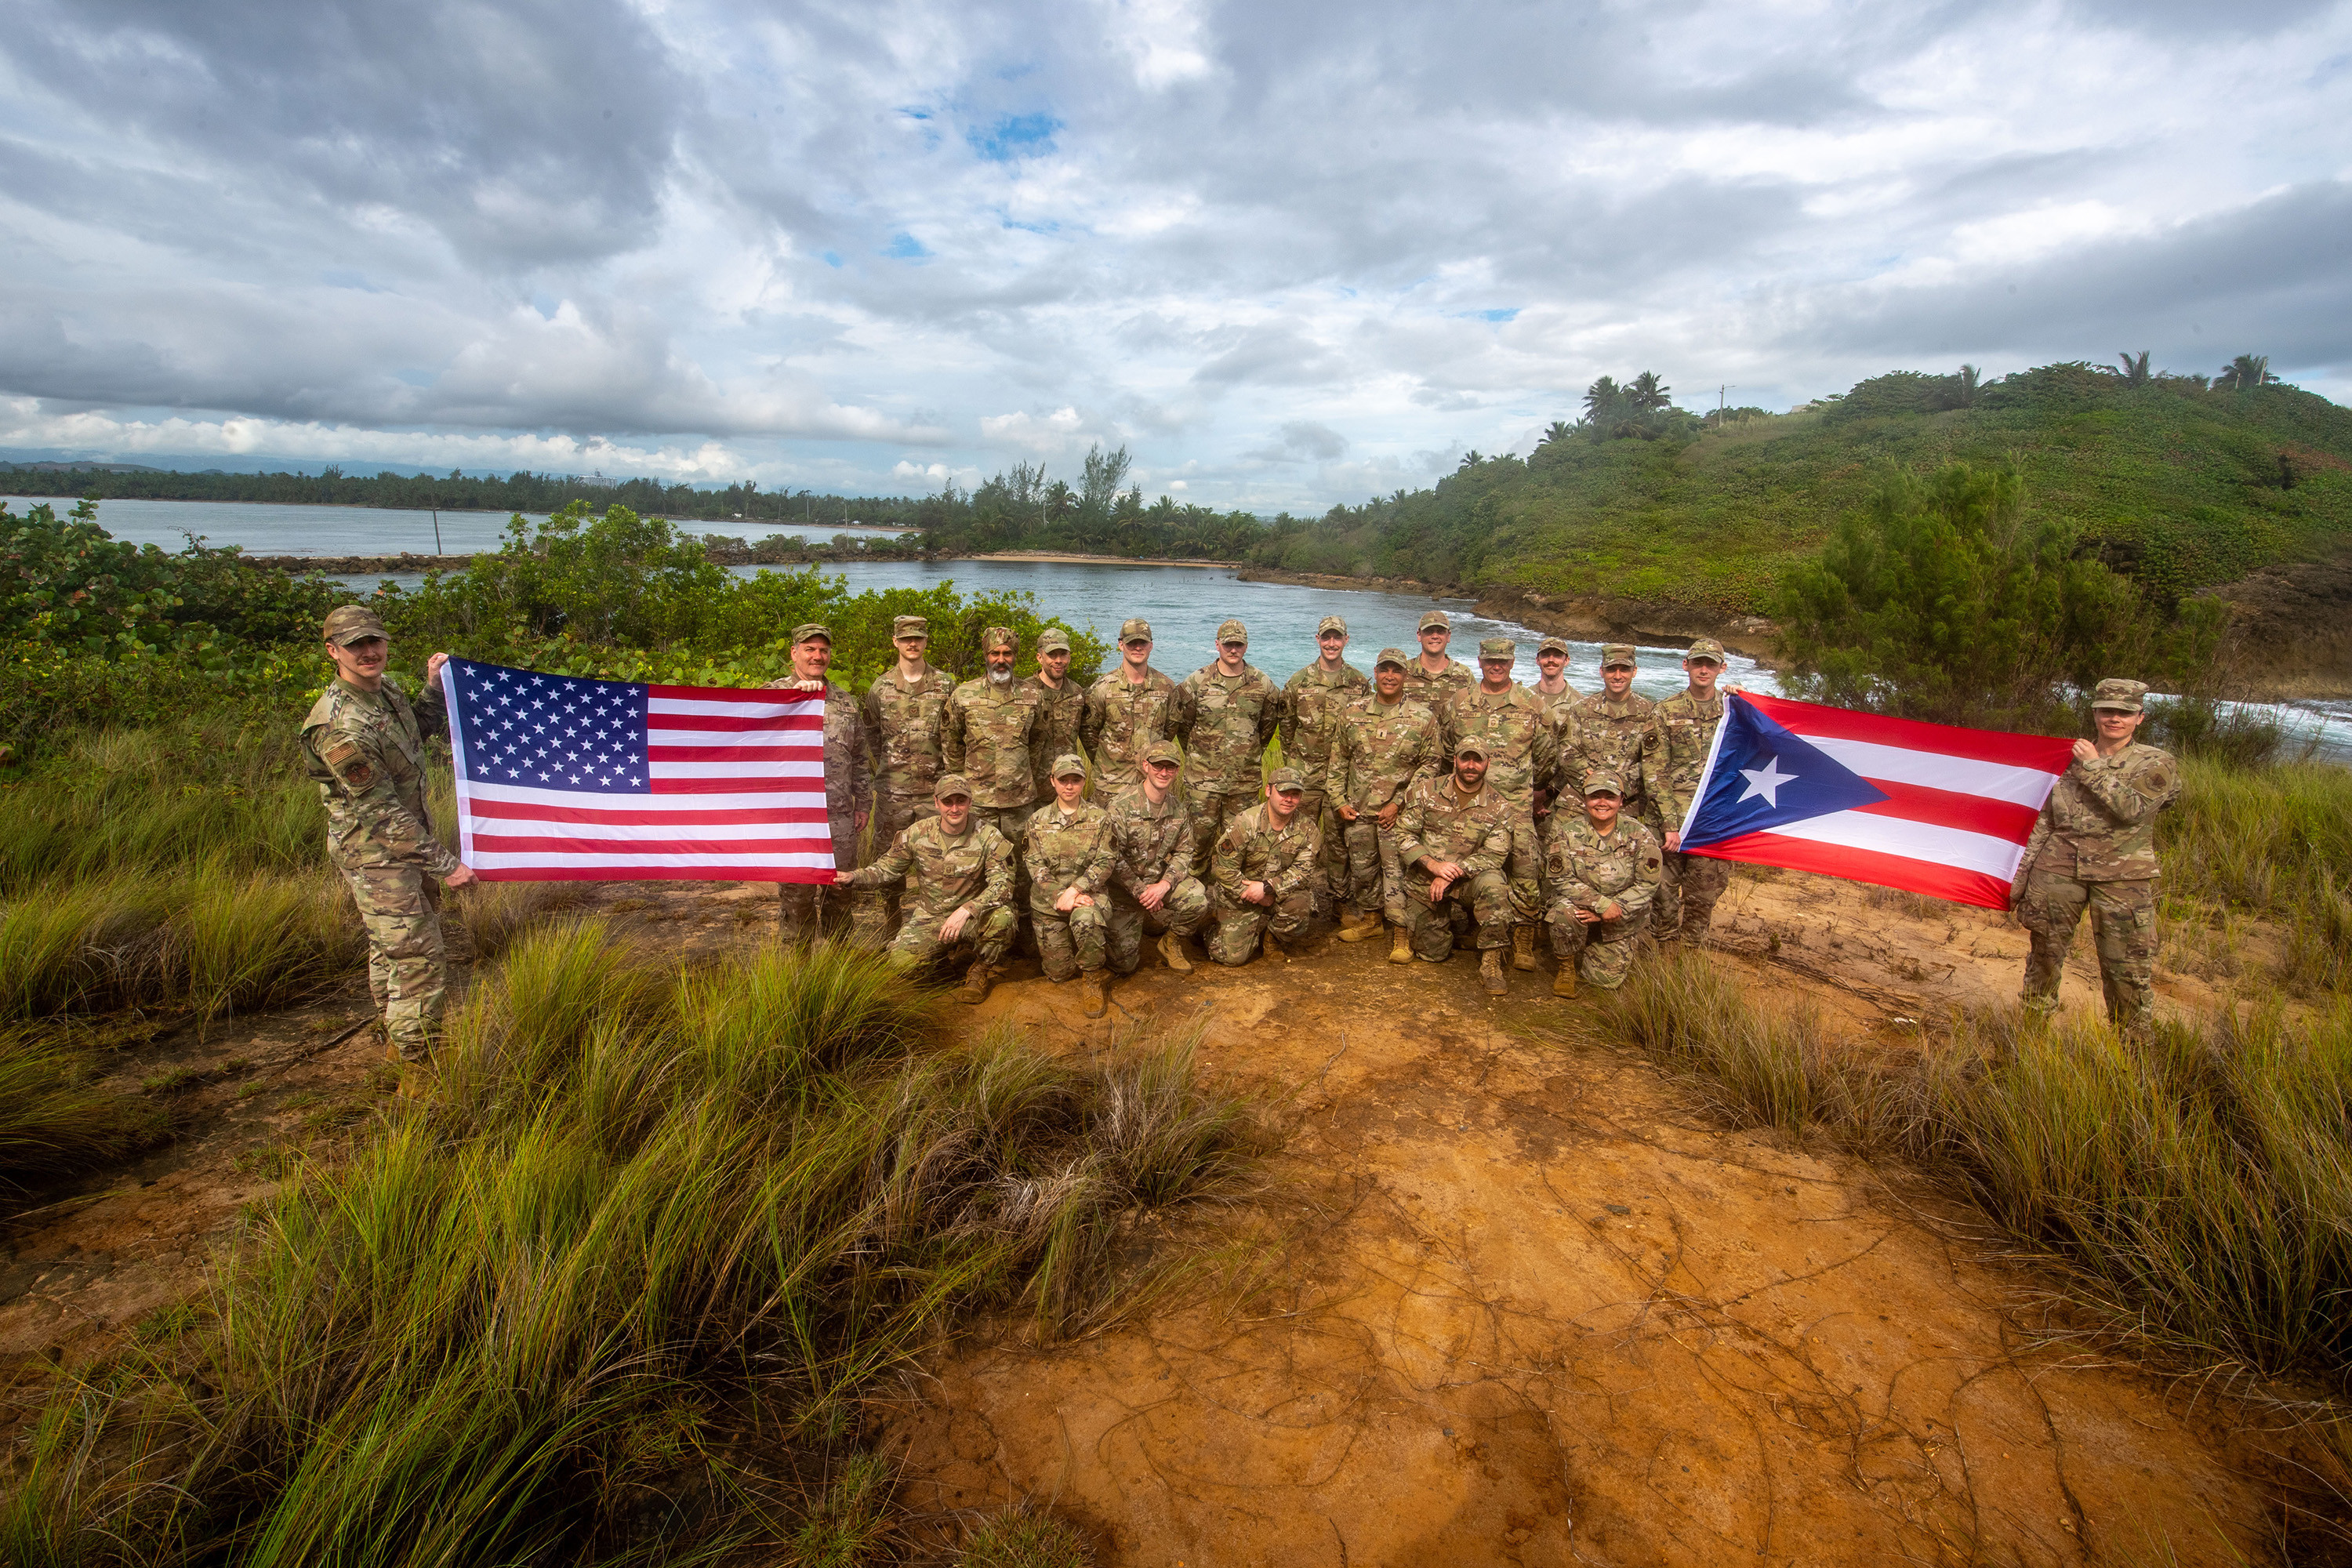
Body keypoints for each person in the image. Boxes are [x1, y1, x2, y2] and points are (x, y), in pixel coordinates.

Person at [299, 604, 477, 1074]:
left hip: (406, 846)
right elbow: (378, 811)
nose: (369, 652)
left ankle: (394, 1038)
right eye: (355, 646)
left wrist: (435, 689)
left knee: (391, 949)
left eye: (374, 641)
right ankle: (418, 1071)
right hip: (377, 855)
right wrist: (446, 864)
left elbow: (415, 730)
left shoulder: (387, 693)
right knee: (418, 958)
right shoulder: (340, 724)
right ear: (333, 651)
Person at [2013, 678, 2182, 1034]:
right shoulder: (2065, 758)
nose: (2115, 718)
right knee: (2044, 956)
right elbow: (2044, 820)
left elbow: (2133, 809)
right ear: (2095, 713)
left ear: (2140, 718)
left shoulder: (2156, 761)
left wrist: (2093, 767)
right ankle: (2030, 1037)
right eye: (2107, 711)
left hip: (2122, 876)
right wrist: (2021, 875)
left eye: (2125, 713)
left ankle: (2133, 1050)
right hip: (2058, 870)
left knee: (2126, 969)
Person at [839, 774, 1015, 1004]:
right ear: (936, 803)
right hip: (930, 918)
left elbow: (1003, 883)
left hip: (972, 917)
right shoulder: (918, 833)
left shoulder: (988, 835)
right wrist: (854, 876)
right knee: (902, 964)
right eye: (947, 802)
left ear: (970, 803)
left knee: (1004, 918)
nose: (954, 808)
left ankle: (978, 971)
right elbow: (887, 869)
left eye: (961, 801)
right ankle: (945, 962)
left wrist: (967, 910)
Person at [1440, 638, 1557, 975]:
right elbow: (1448, 747)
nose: (1496, 666)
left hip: (1516, 807)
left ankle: (1522, 936)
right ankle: (1475, 928)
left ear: (1513, 662)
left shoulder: (1532, 704)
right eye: (1490, 660)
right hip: (1469, 807)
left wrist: (1530, 790)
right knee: (1470, 867)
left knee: (1525, 869)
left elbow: (1547, 756)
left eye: (1503, 661)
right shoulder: (1460, 703)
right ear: (1479, 661)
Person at [764, 622, 873, 945]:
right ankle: (799, 972)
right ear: (794, 653)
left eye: (823, 650)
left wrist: (864, 803)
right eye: (809, 649)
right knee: (797, 900)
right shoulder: (772, 695)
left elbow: (859, 759)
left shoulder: (845, 702)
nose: (817, 656)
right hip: (794, 819)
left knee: (840, 895)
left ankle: (837, 968)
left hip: (838, 818)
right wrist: (795, 698)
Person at [1332, 648, 1441, 959]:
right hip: (1358, 810)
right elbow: (1338, 760)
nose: (1389, 676)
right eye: (1384, 670)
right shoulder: (1353, 712)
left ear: (1405, 676)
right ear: (1376, 672)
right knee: (1363, 871)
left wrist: (1400, 803)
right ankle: (1371, 920)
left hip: (1398, 814)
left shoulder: (1422, 717)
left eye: (1396, 671)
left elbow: (1431, 765)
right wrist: (1339, 801)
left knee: (1396, 873)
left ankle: (1401, 934)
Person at [855, 614, 956, 947]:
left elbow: (955, 733)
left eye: (919, 638)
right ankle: (891, 917)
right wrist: (890, 761)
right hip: (893, 791)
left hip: (934, 791)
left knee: (940, 859)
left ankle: (936, 918)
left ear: (926, 641)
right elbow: (871, 732)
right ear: (895, 642)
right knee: (889, 856)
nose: (913, 644)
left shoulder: (946, 685)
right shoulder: (880, 688)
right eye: (906, 639)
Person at [1396, 738, 1516, 993]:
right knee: (1432, 953)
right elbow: (1404, 834)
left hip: (1470, 879)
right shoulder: (1426, 791)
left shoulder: (1500, 806)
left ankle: (1492, 963)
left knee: (1496, 886)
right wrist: (1433, 866)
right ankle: (1451, 932)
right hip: (1428, 879)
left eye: (1477, 759)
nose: (1471, 765)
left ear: (1487, 763)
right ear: (1455, 760)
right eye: (1465, 758)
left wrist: (1454, 871)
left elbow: (1495, 854)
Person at [1167, 617, 1281, 868]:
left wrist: (1248, 753)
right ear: (1217, 645)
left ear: (1246, 647)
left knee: (1239, 843)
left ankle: (1230, 893)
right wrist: (1199, 754)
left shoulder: (1262, 684)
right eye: (1228, 644)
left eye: (1238, 645)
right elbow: (1183, 725)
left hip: (1244, 782)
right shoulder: (1196, 682)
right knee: (1198, 841)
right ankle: (1195, 889)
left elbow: (1267, 727)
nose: (1233, 650)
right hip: (1202, 781)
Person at [1279, 615, 1369, 924]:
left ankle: (1339, 901)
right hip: (1303, 777)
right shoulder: (1298, 682)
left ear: (1346, 640)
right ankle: (1292, 899)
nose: (1332, 643)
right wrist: (1296, 765)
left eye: (1337, 638)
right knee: (1293, 842)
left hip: (1341, 781)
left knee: (1336, 844)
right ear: (1317, 639)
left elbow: (1365, 729)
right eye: (1326, 637)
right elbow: (1286, 728)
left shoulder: (1359, 683)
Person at [1642, 637, 1731, 949]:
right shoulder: (1665, 712)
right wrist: (1669, 824)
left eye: (1710, 664)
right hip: (1670, 822)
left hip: (1713, 821)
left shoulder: (1735, 711)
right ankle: (1663, 957)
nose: (1703, 669)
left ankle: (1691, 959)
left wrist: (1745, 698)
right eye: (1697, 663)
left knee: (1703, 897)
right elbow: (1655, 771)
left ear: (1722, 668)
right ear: (1686, 666)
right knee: (1662, 894)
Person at [1543, 769, 1662, 996]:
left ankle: (1614, 944)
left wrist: (1614, 907)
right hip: (1581, 906)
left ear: (1621, 800)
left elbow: (1647, 885)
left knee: (1603, 981)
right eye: (1595, 796)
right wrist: (1600, 904)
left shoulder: (1640, 836)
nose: (1602, 803)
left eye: (1609, 797)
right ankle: (1566, 965)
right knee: (1563, 913)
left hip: (1620, 916)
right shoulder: (1568, 833)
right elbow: (1560, 877)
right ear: (1585, 799)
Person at [1102, 739, 1213, 975]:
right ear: (1145, 766)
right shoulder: (1121, 807)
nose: (1164, 772)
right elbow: (1113, 857)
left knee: (1197, 898)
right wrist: (1141, 891)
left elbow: (1185, 851)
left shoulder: (1178, 809)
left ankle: (1170, 942)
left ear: (1177, 770)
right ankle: (1135, 924)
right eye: (1158, 766)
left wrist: (1164, 885)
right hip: (1125, 892)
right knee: (1124, 966)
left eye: (1170, 767)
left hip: (1158, 886)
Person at [1027, 753, 1116, 1018]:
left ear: (1083, 782)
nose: (1069, 786)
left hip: (1089, 897)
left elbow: (1106, 860)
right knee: (1059, 974)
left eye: (1075, 780)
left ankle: (1092, 976)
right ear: (1053, 781)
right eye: (1063, 780)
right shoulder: (1037, 820)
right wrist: (1058, 896)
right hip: (1048, 902)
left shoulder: (1100, 819)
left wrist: (1075, 891)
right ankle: (1085, 949)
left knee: (1085, 918)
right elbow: (1033, 863)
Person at [1207, 766, 1323, 966]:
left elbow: (1302, 873)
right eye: (1283, 793)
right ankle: (1207, 928)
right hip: (1241, 893)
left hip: (1276, 892)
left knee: (1300, 908)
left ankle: (1272, 939)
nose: (1289, 799)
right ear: (1269, 791)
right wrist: (1254, 894)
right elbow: (1224, 870)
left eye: (1295, 794)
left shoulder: (1308, 829)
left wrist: (1268, 888)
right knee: (1232, 958)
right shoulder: (1245, 823)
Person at [942, 626, 1040, 849]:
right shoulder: (963, 695)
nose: (1001, 660)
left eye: (1007, 653)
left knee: (1023, 862)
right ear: (986, 656)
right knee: (977, 861)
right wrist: (961, 783)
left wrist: (1021, 773)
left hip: (1019, 800)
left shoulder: (1033, 695)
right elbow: (951, 741)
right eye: (995, 653)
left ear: (1015, 657)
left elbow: (1037, 741)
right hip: (978, 800)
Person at [1560, 643, 1654, 827]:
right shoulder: (1581, 708)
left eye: (1624, 669)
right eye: (1611, 669)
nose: (1618, 676)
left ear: (1634, 671)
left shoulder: (1650, 712)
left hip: (1627, 805)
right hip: (1579, 802)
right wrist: (1593, 784)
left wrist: (1620, 784)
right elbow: (1567, 753)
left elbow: (1653, 761)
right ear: (1602, 671)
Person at [1080, 618, 1175, 797]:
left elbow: (1169, 732)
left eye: (1143, 643)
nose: (1138, 648)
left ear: (1151, 646)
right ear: (1121, 645)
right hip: (1112, 786)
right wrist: (1108, 763)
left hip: (1150, 785)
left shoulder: (1166, 688)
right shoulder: (1103, 688)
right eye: (1132, 643)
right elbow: (1088, 734)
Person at [1024, 626, 1087, 805]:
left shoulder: (1078, 694)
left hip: (1067, 788)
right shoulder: (1023, 692)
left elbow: (1090, 738)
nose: (1058, 661)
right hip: (1031, 789)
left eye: (1063, 655)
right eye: (1052, 655)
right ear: (1039, 657)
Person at [1399, 609, 1475, 710]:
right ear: (1419, 635)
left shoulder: (1464, 674)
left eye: (1440, 632)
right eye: (1429, 632)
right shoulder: (1403, 671)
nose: (1435, 636)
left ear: (1448, 636)